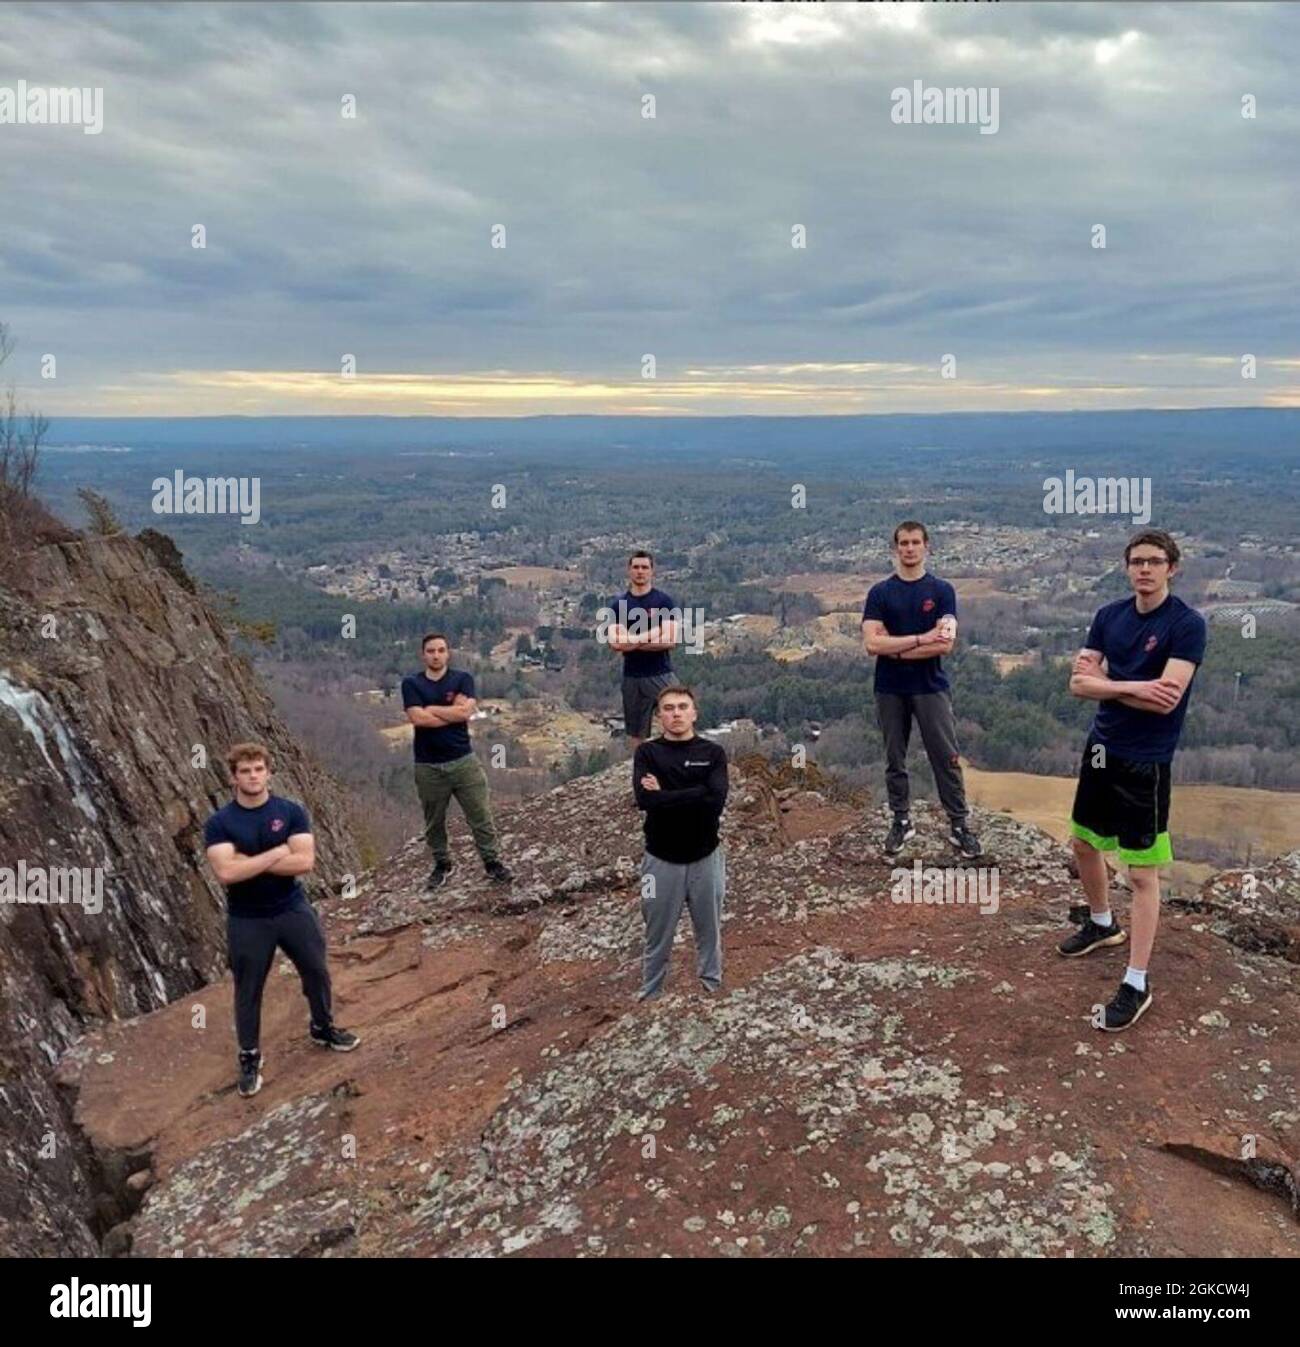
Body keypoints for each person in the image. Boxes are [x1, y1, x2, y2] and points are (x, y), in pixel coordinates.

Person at [1060, 529, 1207, 1031]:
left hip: (1146, 760)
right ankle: (1102, 923)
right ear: (1127, 567)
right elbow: (1076, 684)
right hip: (1102, 749)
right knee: (1083, 842)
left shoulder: (1186, 625)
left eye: (1154, 561)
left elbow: (1167, 696)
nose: (1144, 569)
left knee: (1141, 873)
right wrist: (1132, 686)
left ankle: (1136, 982)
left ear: (1172, 568)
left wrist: (1106, 686)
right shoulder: (1109, 616)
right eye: (1137, 561)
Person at [204, 742, 359, 1100]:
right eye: (245, 771)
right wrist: (277, 852)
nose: (253, 776)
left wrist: (250, 861)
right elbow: (227, 872)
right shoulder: (220, 823)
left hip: (291, 909)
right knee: (248, 989)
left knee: (316, 970)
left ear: (269, 772)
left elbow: (304, 862)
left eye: (258, 769)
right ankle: (249, 1056)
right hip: (247, 918)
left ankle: (323, 1027)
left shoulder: (291, 812)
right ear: (233, 778)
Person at [861, 520, 981, 859]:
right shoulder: (880, 593)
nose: (909, 548)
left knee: (946, 756)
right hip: (890, 688)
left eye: (915, 542)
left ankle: (958, 824)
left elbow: (944, 645)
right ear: (895, 548)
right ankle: (901, 819)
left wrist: (895, 647)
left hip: (930, 686)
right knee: (894, 757)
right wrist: (920, 638)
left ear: (927, 546)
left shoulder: (942, 591)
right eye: (903, 543)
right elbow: (871, 644)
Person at [632, 686, 728, 1000]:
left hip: (706, 856)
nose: (676, 714)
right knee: (656, 932)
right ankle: (651, 993)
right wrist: (695, 792)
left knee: (709, 930)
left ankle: (711, 989)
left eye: (682, 707)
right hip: (659, 858)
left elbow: (715, 801)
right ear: (659, 716)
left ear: (694, 713)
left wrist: (666, 795)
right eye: (669, 708)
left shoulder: (713, 754)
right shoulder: (647, 753)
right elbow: (646, 800)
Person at [402, 632, 512, 891]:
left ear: (448, 653)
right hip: (428, 765)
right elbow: (418, 719)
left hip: (463, 760)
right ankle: (442, 864)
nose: (436, 655)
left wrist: (433, 709)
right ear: (423, 654)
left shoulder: (462, 679)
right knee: (434, 821)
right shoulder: (411, 684)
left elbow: (466, 712)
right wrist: (452, 713)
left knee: (480, 815)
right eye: (431, 651)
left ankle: (492, 862)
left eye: (441, 650)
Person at [606, 550, 679, 749]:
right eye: (636, 567)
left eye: (645, 567)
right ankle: (642, 773)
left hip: (661, 673)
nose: (640, 571)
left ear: (652, 571)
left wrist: (632, 641)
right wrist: (653, 633)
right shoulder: (618, 606)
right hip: (632, 677)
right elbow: (616, 643)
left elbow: (671, 640)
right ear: (629, 570)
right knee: (637, 735)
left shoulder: (664, 602)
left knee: (678, 721)